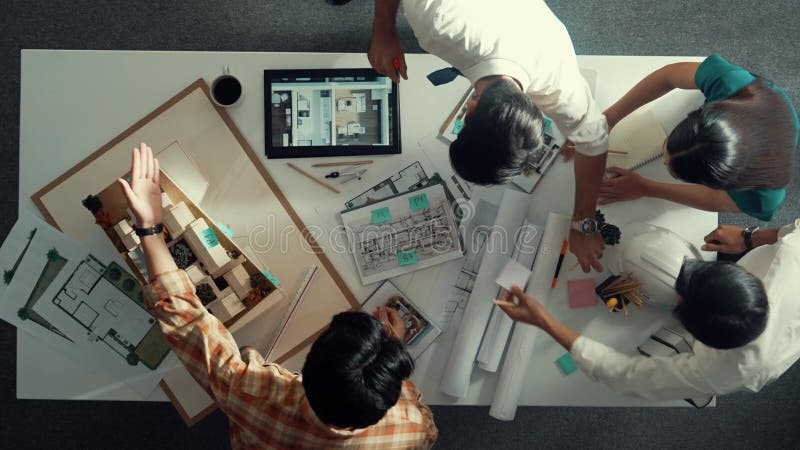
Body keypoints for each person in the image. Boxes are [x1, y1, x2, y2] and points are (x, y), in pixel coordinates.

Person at [122, 143, 437, 449]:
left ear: (307, 370)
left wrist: (149, 227)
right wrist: (391, 351)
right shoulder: (411, 430)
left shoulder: (256, 399)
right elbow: (424, 424)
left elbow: (188, 323)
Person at [368, 0, 610, 273]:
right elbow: (593, 139)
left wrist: (584, 224)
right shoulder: (436, 21)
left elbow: (594, 138)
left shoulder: (560, 85)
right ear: (470, 109)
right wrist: (384, 30)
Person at [495, 218, 800, 400]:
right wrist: (748, 238)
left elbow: (626, 375)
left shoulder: (726, 372)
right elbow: (793, 229)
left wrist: (544, 320)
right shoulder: (790, 250)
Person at [598, 54, 799, 221]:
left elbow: (717, 200)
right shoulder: (729, 82)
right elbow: (668, 76)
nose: (664, 161)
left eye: (673, 172)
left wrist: (646, 188)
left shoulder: (763, 197)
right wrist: (609, 118)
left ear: (721, 183)